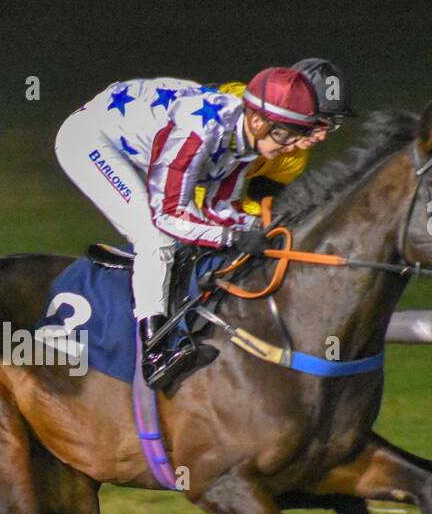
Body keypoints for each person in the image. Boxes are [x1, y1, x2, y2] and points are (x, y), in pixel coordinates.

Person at [55, 66, 321, 389]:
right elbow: (168, 215)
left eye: (298, 133)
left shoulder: (245, 142)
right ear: (257, 121)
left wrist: (262, 229)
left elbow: (219, 208)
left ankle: (160, 293)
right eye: (285, 133)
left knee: (195, 233)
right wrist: (233, 235)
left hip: (141, 142)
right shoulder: (201, 131)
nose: (292, 144)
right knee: (156, 237)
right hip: (90, 140)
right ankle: (155, 352)